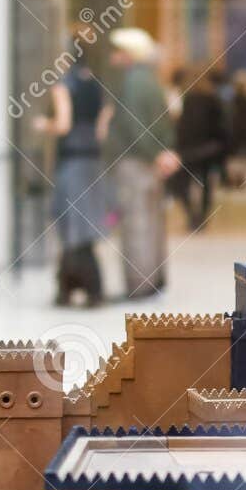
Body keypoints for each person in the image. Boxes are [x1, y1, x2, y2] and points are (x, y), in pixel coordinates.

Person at [34, 42, 111, 306]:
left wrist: (45, 124)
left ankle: (85, 288)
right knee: (84, 223)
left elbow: (64, 124)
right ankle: (71, 287)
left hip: (72, 161)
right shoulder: (96, 85)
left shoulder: (63, 85)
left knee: (71, 224)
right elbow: (103, 125)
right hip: (92, 160)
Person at [106, 28, 178, 299]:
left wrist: (155, 154)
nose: (114, 57)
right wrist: (163, 153)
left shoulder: (134, 80)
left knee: (137, 224)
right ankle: (153, 279)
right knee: (151, 222)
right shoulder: (149, 78)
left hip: (136, 162)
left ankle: (139, 283)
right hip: (148, 161)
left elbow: (136, 125)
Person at [171, 68, 227, 230]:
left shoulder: (187, 99)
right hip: (208, 149)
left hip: (189, 149)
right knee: (206, 185)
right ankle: (201, 218)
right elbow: (220, 126)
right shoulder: (213, 99)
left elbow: (182, 127)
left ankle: (192, 214)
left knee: (182, 183)